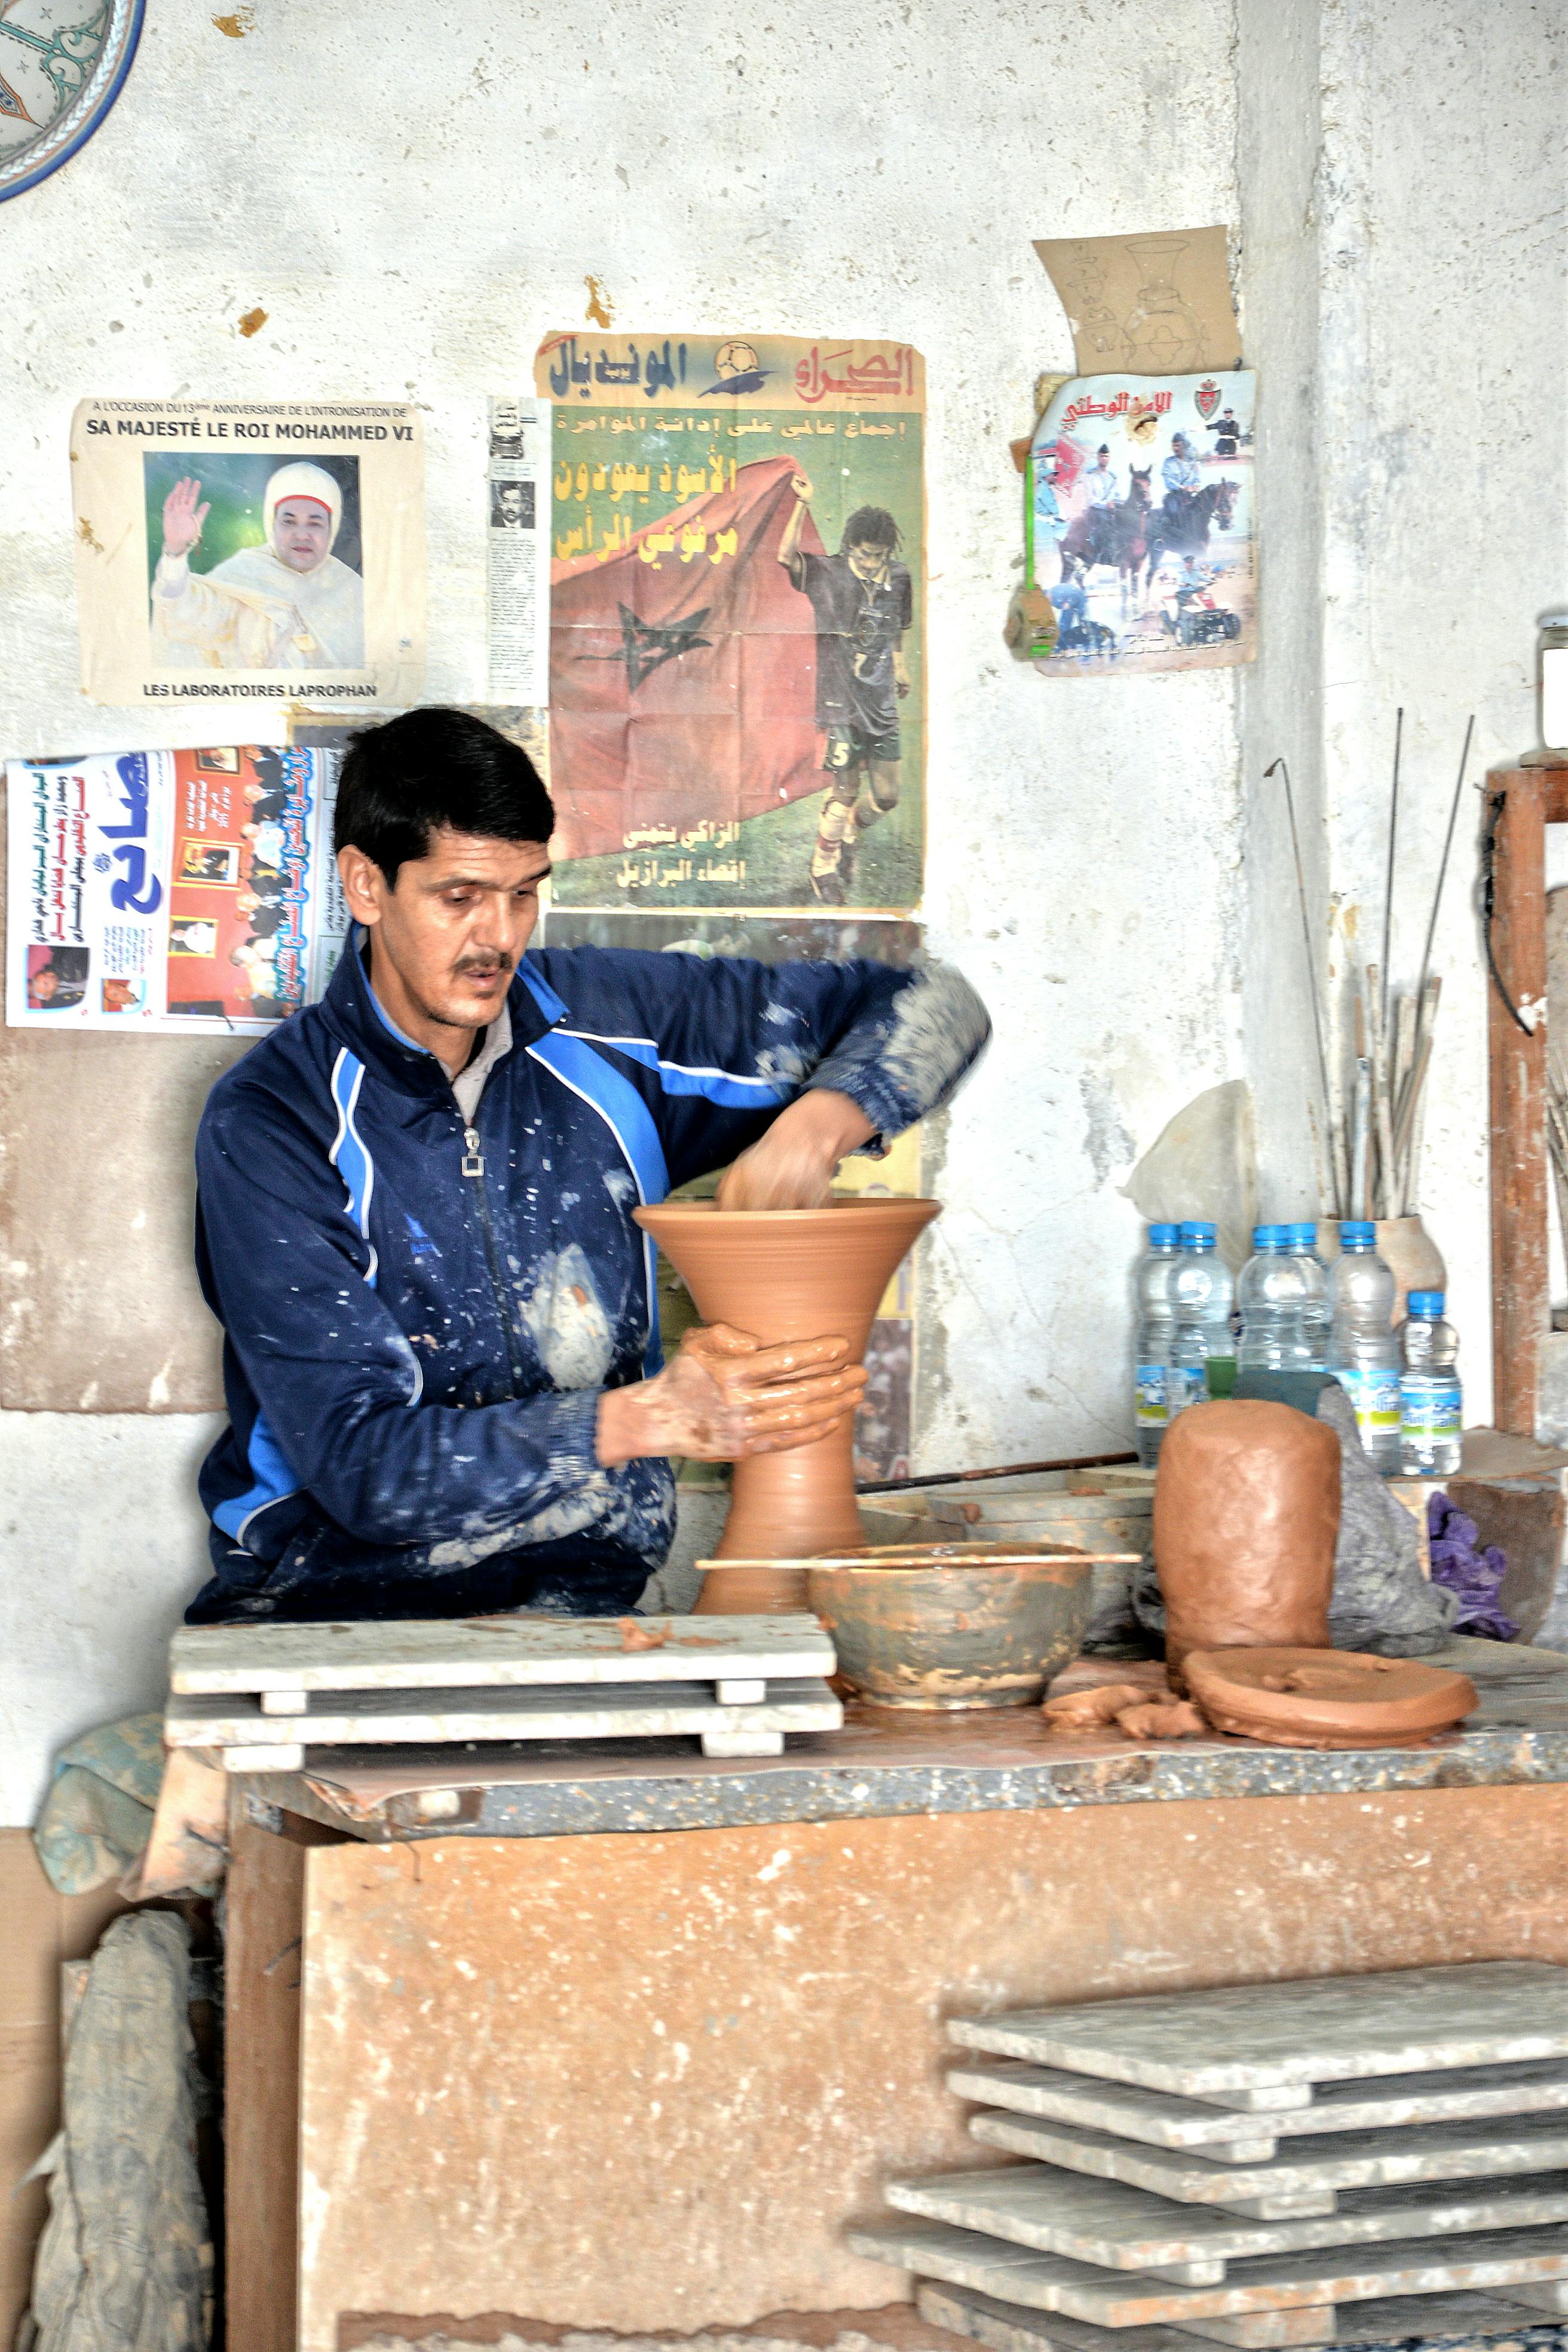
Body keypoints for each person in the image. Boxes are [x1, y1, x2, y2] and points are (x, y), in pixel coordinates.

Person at [188, 707, 990, 1624]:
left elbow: (935, 1001)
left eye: (525, 892)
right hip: (326, 1607)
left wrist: (815, 1130)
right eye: (460, 898)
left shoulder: (610, 1021)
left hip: (586, 1601)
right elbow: (364, 1469)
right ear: (366, 885)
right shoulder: (272, 1120)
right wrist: (653, 1418)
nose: (499, 937)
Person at [778, 479, 914, 905]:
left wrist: (900, 663)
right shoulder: (828, 572)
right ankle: (823, 867)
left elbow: (895, 627)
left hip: (881, 700)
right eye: (863, 554)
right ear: (850, 548)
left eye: (878, 555)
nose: (871, 562)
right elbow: (785, 556)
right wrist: (802, 503)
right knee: (844, 790)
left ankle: (851, 829)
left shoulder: (899, 577)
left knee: (888, 796)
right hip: (840, 702)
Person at [149, 460, 366, 672]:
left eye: (315, 524)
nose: (302, 535)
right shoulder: (242, 576)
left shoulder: (354, 592)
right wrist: (176, 550)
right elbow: (183, 616)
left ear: (332, 528)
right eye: (289, 522)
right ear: (272, 525)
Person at [1082, 444, 1119, 567]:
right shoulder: (1090, 475)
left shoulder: (1113, 477)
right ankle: (1104, 555)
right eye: (1102, 456)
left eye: (1106, 456)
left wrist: (1118, 502)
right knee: (1105, 526)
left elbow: (1117, 495)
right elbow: (1090, 498)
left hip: (1111, 510)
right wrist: (1105, 505)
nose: (1104, 459)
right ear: (1098, 457)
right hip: (1096, 510)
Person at [1161, 433, 1203, 534]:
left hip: (1192, 495)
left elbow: (1197, 477)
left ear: (1184, 445)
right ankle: (1166, 536)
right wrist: (1182, 487)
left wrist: (1196, 486)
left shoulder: (1192, 462)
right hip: (1176, 495)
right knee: (1172, 509)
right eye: (1174, 446)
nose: (1175, 449)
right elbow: (1168, 480)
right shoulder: (1168, 462)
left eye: (1178, 446)